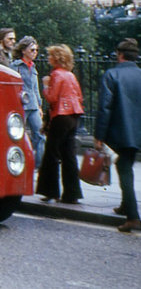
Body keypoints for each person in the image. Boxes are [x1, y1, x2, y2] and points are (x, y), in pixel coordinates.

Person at [94, 38, 141, 232]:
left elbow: (105, 108)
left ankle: (132, 217)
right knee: (126, 165)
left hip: (121, 132)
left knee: (124, 167)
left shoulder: (111, 75)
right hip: (137, 131)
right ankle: (125, 205)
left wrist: (99, 136)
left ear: (119, 55)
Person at [36, 44, 84, 205]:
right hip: (73, 117)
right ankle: (72, 194)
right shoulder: (70, 75)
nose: (48, 58)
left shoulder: (56, 75)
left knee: (52, 153)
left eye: (50, 56)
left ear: (57, 58)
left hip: (61, 116)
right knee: (69, 155)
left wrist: (45, 85)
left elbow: (52, 98)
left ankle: (50, 192)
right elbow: (79, 97)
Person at [10, 36, 45, 168]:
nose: (34, 52)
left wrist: (40, 106)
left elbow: (35, 88)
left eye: (36, 50)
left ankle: (39, 164)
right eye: (32, 50)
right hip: (21, 105)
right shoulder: (16, 66)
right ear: (24, 50)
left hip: (34, 106)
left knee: (40, 135)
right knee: (17, 135)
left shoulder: (33, 67)